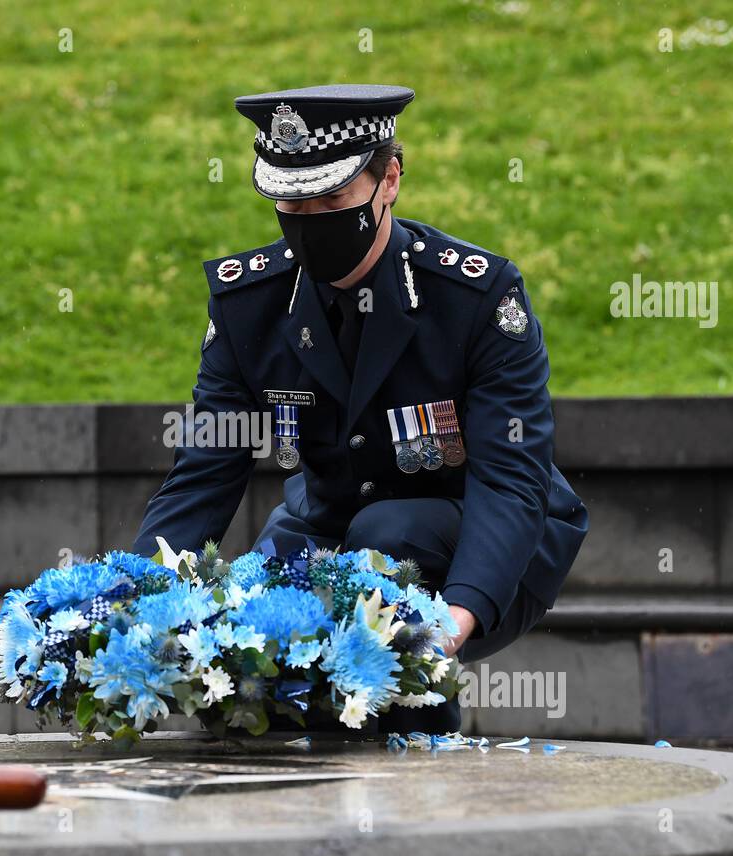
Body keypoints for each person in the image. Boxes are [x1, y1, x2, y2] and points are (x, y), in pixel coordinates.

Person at [132, 85, 588, 733]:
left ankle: (421, 748)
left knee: (383, 547)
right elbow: (205, 468)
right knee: (248, 653)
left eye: (332, 199)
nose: (309, 219)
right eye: (291, 202)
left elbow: (510, 479)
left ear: (389, 181)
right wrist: (134, 604)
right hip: (327, 521)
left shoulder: (473, 297)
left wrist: (451, 624)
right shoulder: (249, 304)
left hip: (488, 534)